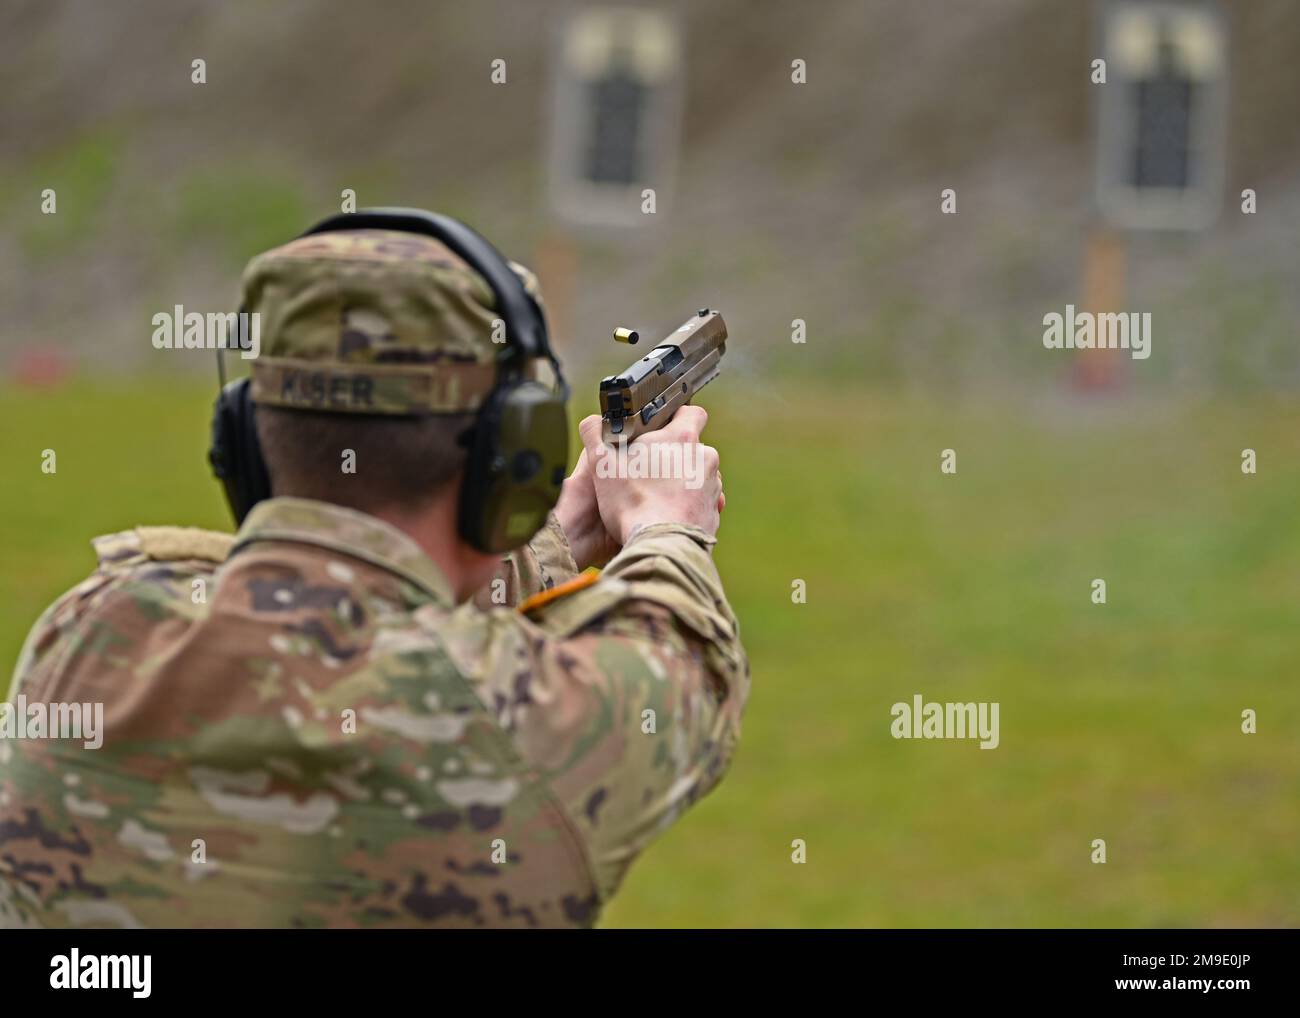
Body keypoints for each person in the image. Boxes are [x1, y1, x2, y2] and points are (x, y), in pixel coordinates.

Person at [0, 210, 749, 929]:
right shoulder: (524, 731)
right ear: (508, 466)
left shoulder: (84, 640)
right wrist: (665, 522)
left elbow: (343, 599)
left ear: (246, 440)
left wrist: (560, 535)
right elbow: (684, 660)